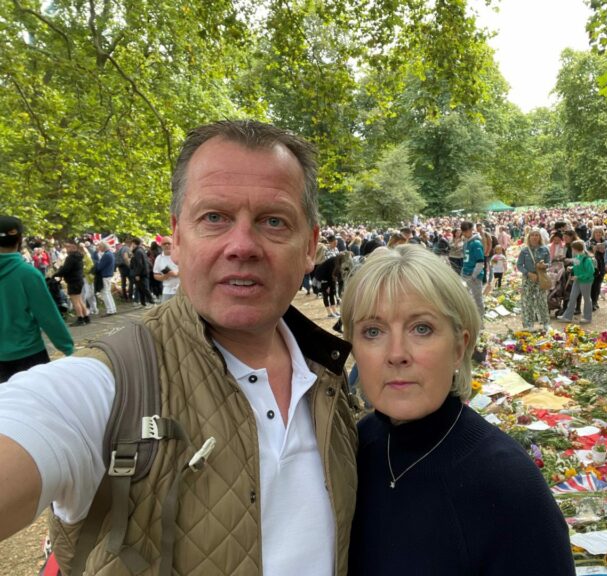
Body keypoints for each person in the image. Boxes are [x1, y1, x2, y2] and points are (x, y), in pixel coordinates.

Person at [0, 120, 357, 575]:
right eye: (215, 218)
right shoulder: (110, 385)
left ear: (309, 246)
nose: (242, 245)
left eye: (273, 221)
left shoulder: (329, 377)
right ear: (178, 237)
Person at [342, 245, 575, 576]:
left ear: (459, 346)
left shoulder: (508, 485)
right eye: (373, 331)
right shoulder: (358, 446)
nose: (396, 354)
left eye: (421, 328)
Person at [0, 216, 74, 382]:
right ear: (20, 240)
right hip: (29, 355)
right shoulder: (27, 274)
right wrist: (68, 348)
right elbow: (47, 315)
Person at [516, 228, 551, 331]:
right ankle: (528, 324)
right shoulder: (524, 250)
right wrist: (528, 273)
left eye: (537, 235)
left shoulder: (545, 249)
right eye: (532, 235)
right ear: (529, 237)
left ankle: (545, 323)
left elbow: (549, 262)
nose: (535, 237)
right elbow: (519, 265)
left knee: (542, 301)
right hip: (528, 279)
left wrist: (544, 265)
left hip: (541, 278)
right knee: (527, 301)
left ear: (540, 237)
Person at [556, 239, 594, 324]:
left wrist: (579, 276)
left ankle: (587, 317)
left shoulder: (587, 259)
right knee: (572, 297)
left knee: (587, 299)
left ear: (576, 249)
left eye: (573, 248)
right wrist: (572, 269)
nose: (572, 249)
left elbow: (590, 272)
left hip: (585, 281)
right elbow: (578, 266)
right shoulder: (578, 257)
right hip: (577, 280)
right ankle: (567, 316)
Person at [54, 240, 89, 326]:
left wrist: (56, 274)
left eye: (68, 247)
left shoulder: (71, 258)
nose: (66, 248)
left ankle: (80, 318)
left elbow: (66, 269)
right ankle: (86, 317)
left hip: (73, 281)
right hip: (79, 280)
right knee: (79, 299)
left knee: (75, 301)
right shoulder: (79, 256)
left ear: (73, 248)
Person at [460, 221, 485, 318]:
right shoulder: (466, 242)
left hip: (474, 276)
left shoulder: (476, 243)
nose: (465, 233)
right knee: (466, 298)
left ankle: (480, 321)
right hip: (465, 273)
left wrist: (474, 275)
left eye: (467, 231)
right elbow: (465, 259)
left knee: (477, 299)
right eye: (463, 231)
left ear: (471, 230)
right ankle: (471, 319)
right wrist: (463, 271)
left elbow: (480, 262)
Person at [152, 236, 180, 303]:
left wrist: (176, 274)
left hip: (181, 289)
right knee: (166, 311)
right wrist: (164, 277)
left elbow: (188, 271)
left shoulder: (180, 255)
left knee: (181, 311)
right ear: (161, 246)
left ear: (173, 244)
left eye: (169, 243)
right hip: (167, 289)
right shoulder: (159, 258)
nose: (167, 245)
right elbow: (156, 274)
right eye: (164, 244)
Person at [587, 225, 607, 310]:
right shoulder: (589, 242)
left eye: (600, 232)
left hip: (602, 264)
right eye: (596, 232)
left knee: (598, 283)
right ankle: (591, 302)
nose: (598, 234)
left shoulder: (605, 242)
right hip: (593, 265)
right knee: (593, 284)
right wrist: (595, 248)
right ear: (593, 233)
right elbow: (588, 252)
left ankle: (595, 301)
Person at [93, 241, 117, 316]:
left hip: (105, 275)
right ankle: (112, 309)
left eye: (100, 247)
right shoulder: (110, 254)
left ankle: (110, 310)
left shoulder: (106, 255)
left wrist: (95, 262)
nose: (99, 248)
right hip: (108, 275)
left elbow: (99, 267)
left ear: (103, 247)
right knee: (108, 292)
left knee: (105, 293)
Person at [129, 237, 155, 307]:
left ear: (134, 243)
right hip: (143, 272)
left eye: (132, 243)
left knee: (145, 288)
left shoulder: (138, 252)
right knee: (140, 288)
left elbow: (139, 264)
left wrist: (137, 274)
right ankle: (143, 303)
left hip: (141, 274)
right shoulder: (139, 250)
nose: (131, 245)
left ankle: (152, 302)